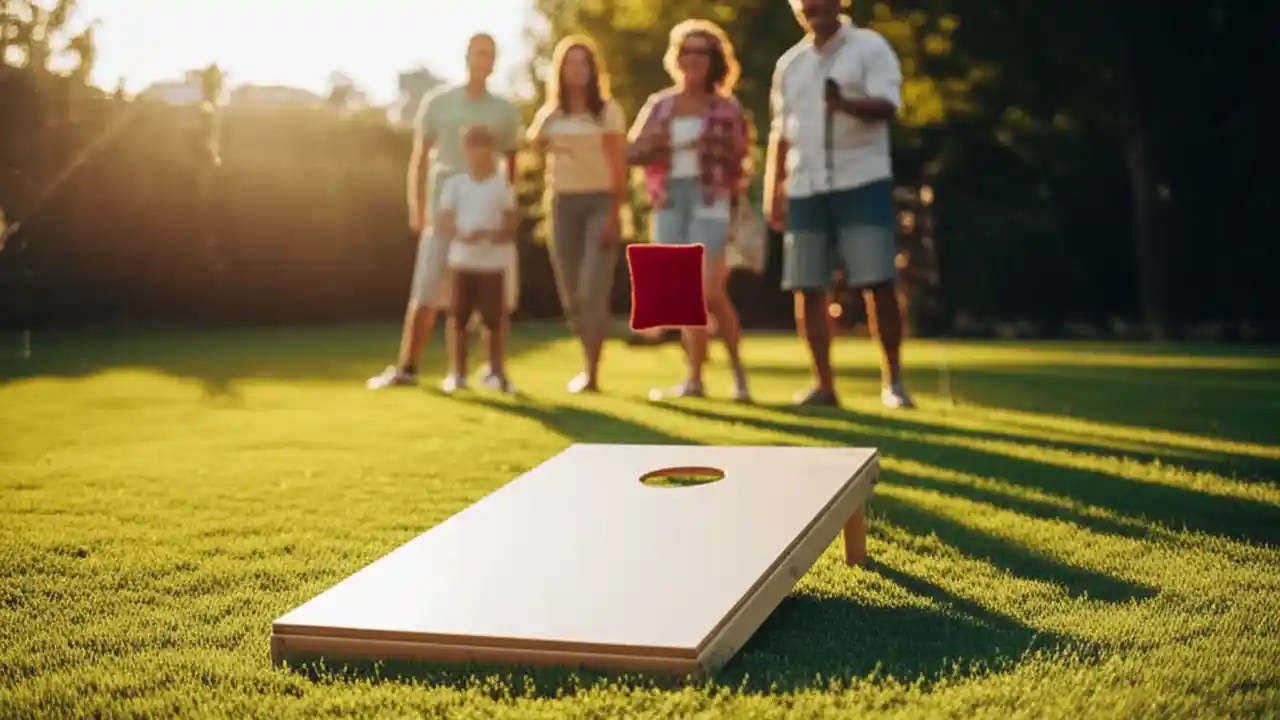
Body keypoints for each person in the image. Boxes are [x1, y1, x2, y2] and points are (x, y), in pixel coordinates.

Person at [765, 0, 915, 409]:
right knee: (808, 287)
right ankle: (823, 386)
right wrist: (773, 189)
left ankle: (894, 382)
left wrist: (845, 104)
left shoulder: (869, 47)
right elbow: (780, 132)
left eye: (822, 2)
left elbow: (888, 105)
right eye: (806, 4)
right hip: (805, 186)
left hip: (861, 179)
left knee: (877, 281)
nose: (814, 10)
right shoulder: (790, 64)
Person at [367, 33, 522, 390]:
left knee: (490, 294)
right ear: (467, 56)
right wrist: (418, 208)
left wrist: (505, 209)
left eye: (489, 54)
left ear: (495, 61)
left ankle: (494, 370)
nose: (482, 59)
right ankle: (407, 367)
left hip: (485, 211)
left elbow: (511, 162)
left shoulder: (504, 111)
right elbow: (420, 157)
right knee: (426, 290)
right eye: (477, 53)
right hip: (445, 211)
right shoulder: (439, 103)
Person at [628, 19, 753, 403]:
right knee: (683, 294)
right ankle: (694, 379)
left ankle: (738, 374)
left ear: (713, 60)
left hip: (709, 198)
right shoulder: (660, 105)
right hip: (669, 199)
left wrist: (736, 213)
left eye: (702, 51)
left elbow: (740, 161)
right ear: (677, 58)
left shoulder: (726, 108)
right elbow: (632, 152)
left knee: (709, 290)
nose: (694, 58)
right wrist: (653, 140)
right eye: (687, 51)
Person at [526, 35, 628, 394]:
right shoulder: (551, 113)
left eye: (583, 63)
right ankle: (586, 361)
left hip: (600, 203)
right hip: (561, 204)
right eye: (570, 63)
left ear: (593, 70)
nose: (577, 70)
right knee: (570, 294)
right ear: (560, 70)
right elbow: (532, 146)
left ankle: (591, 372)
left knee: (592, 289)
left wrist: (616, 215)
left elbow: (619, 168)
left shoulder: (607, 112)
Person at [436, 124, 519, 394]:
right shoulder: (454, 184)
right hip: (462, 261)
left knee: (494, 320)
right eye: (473, 147)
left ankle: (495, 372)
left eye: (484, 147)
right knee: (458, 318)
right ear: (465, 150)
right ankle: (457, 374)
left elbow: (510, 224)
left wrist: (490, 235)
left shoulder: (502, 186)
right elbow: (444, 221)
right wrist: (463, 233)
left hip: (493, 263)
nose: (479, 153)